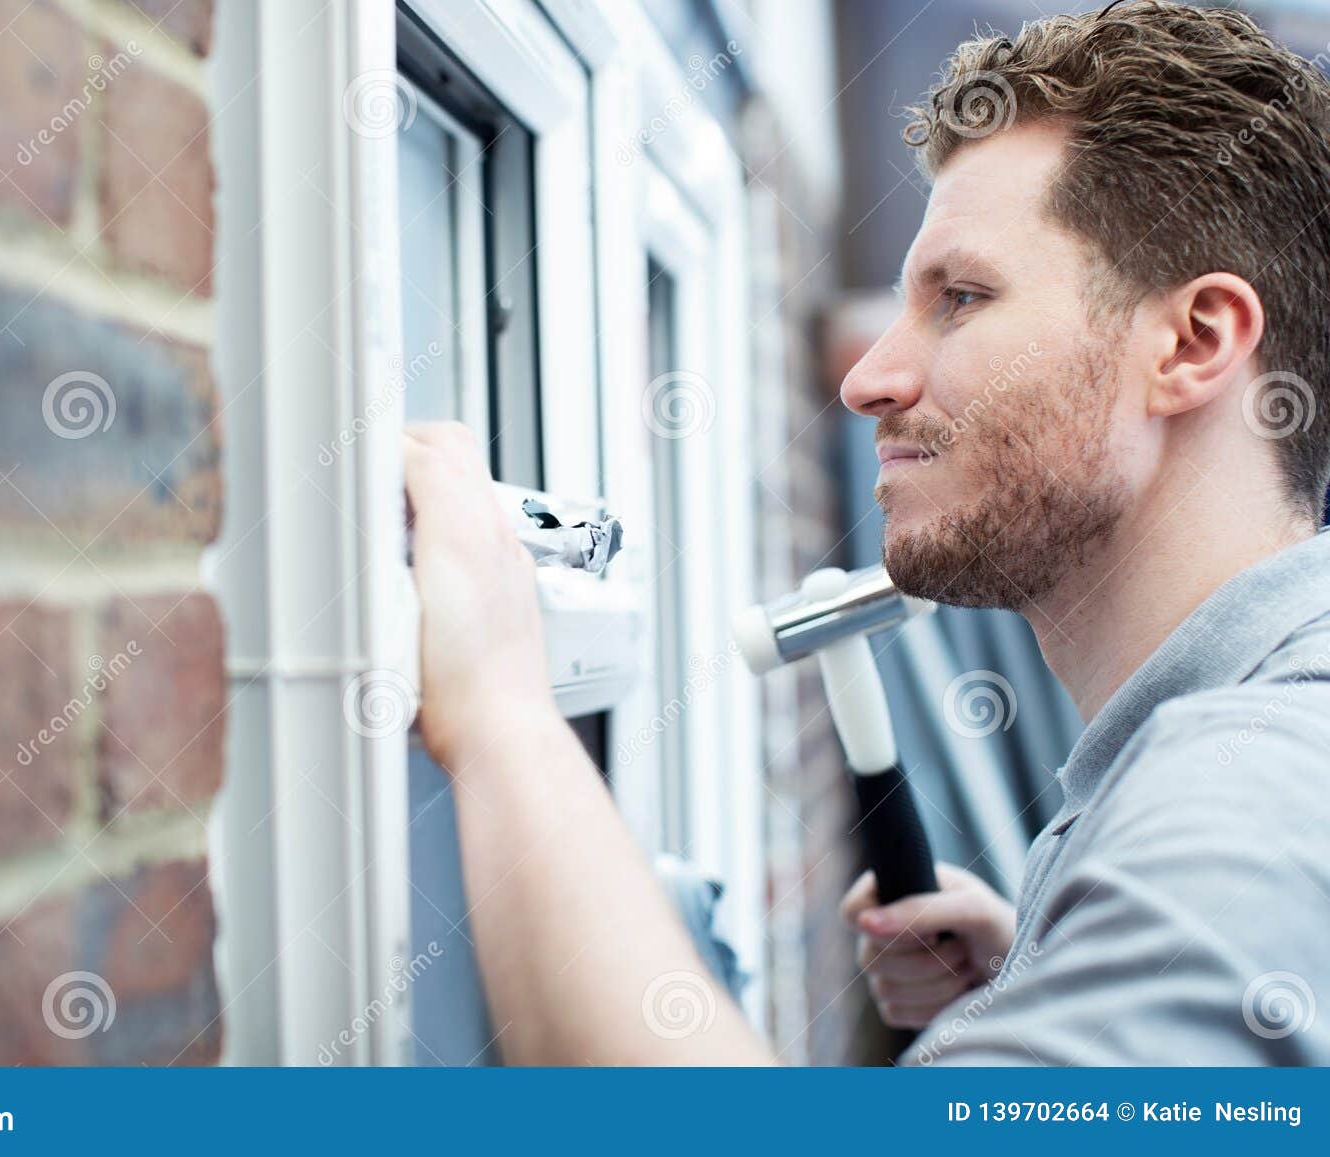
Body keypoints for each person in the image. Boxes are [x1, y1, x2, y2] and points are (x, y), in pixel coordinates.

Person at [402, 0, 1330, 1065]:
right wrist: (1035, 989)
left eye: (963, 297)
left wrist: (503, 720)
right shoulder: (1216, 777)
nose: (865, 379)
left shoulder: (1250, 808)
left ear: (1191, 342)